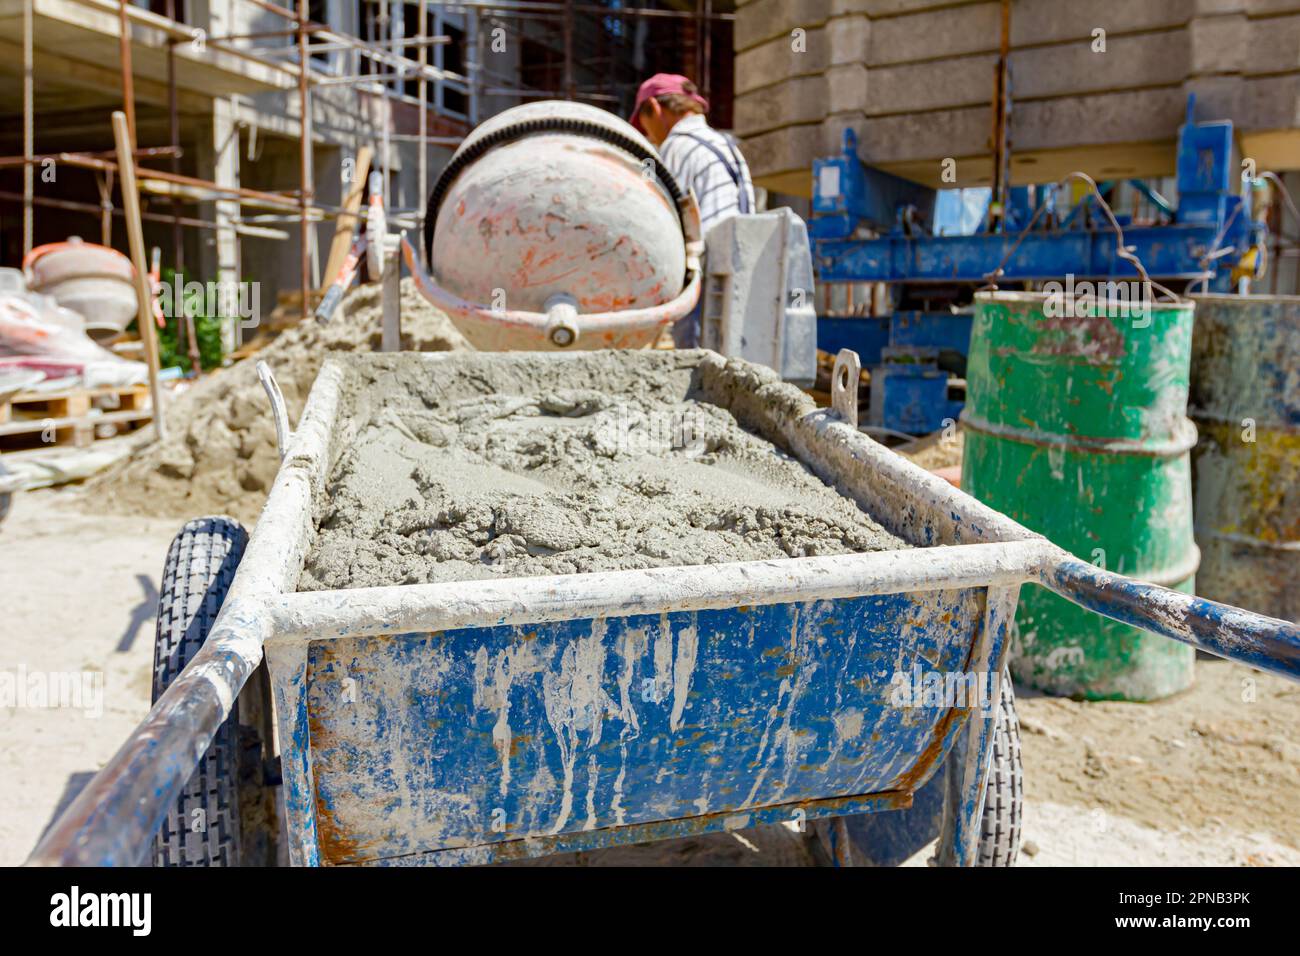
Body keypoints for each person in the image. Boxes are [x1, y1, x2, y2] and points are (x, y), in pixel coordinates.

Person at [631, 74, 757, 347]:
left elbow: (662, 223)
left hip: (706, 281)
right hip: (741, 274)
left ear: (654, 107)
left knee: (695, 365)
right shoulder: (725, 145)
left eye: (644, 124)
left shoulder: (678, 146)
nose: (648, 135)